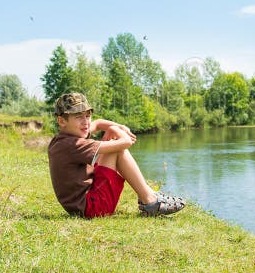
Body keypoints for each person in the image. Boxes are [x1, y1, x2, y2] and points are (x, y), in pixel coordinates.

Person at [47, 92, 185, 218]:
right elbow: (125, 143)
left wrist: (119, 127)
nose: (85, 122)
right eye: (78, 117)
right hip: (93, 209)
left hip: (84, 205)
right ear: (61, 121)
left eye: (87, 115)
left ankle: (148, 194)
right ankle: (150, 201)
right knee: (116, 149)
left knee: (111, 138)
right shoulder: (73, 144)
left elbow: (99, 123)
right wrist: (116, 129)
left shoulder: (64, 139)